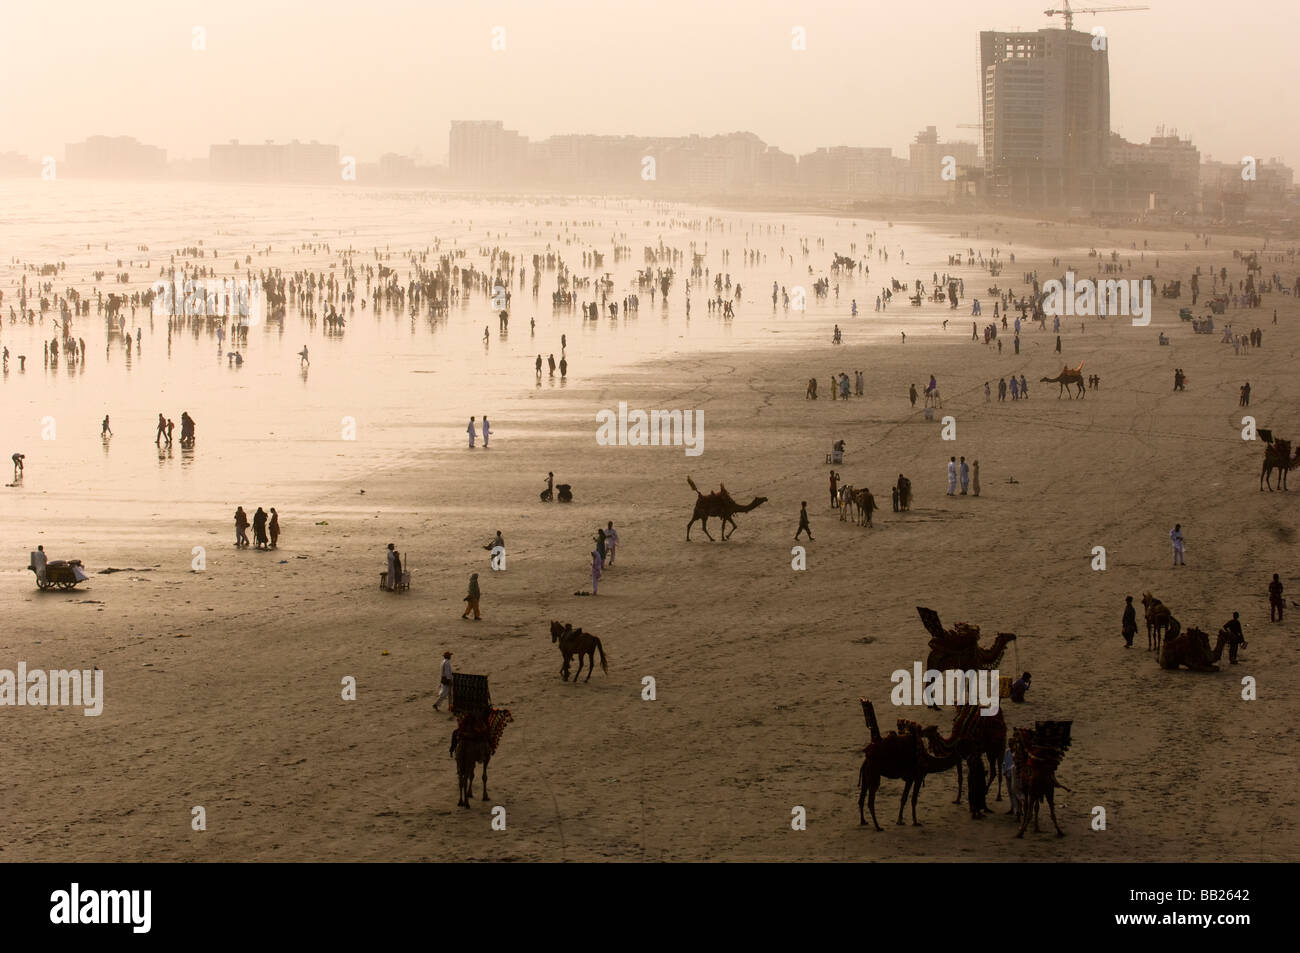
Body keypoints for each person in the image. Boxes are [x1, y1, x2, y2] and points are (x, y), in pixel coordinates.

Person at [967, 754, 988, 819]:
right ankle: (975, 813)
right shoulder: (976, 760)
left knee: (974, 795)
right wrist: (984, 773)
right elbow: (977, 771)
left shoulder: (971, 758)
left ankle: (977, 812)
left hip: (973, 779)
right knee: (976, 796)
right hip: (976, 780)